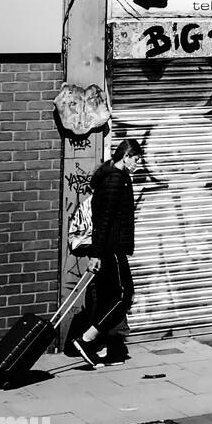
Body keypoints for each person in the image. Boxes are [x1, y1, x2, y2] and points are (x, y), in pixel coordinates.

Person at [71, 139, 142, 370]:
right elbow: (103, 221)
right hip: (110, 249)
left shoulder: (115, 177)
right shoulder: (114, 179)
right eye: (136, 159)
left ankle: (103, 346)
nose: (137, 164)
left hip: (110, 248)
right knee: (124, 294)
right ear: (126, 156)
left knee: (108, 297)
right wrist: (97, 254)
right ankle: (87, 339)